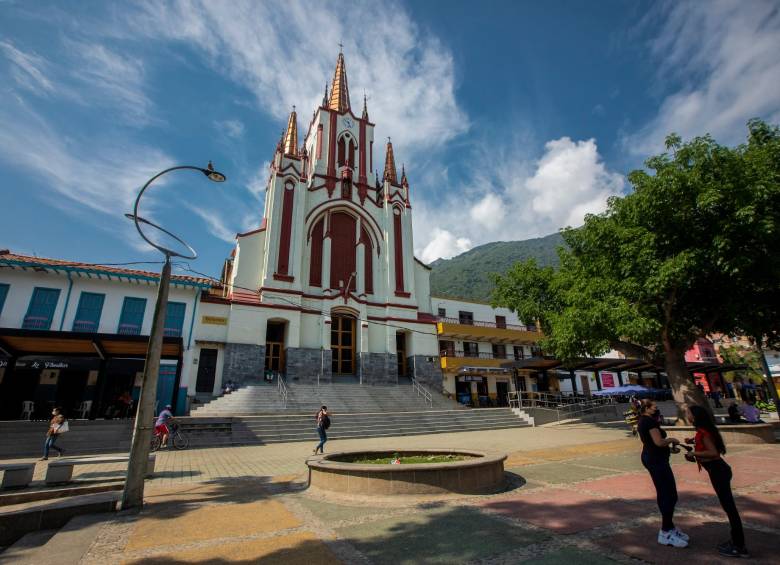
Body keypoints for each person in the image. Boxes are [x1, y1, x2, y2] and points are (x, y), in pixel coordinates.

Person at [684, 405, 749, 558]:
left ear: (695, 416)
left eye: (688, 412)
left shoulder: (704, 432)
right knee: (728, 507)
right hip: (718, 471)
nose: (686, 414)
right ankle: (736, 541)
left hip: (718, 471)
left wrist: (693, 452)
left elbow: (713, 453)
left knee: (730, 509)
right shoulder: (704, 431)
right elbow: (706, 446)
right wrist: (693, 444)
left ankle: (739, 546)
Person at [636, 399, 687, 547]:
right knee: (668, 493)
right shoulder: (649, 422)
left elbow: (652, 443)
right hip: (656, 460)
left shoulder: (643, 421)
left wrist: (669, 449)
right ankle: (666, 531)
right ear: (647, 408)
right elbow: (658, 442)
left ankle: (669, 527)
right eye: (654, 407)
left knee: (665, 492)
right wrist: (671, 439)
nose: (656, 409)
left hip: (653, 456)